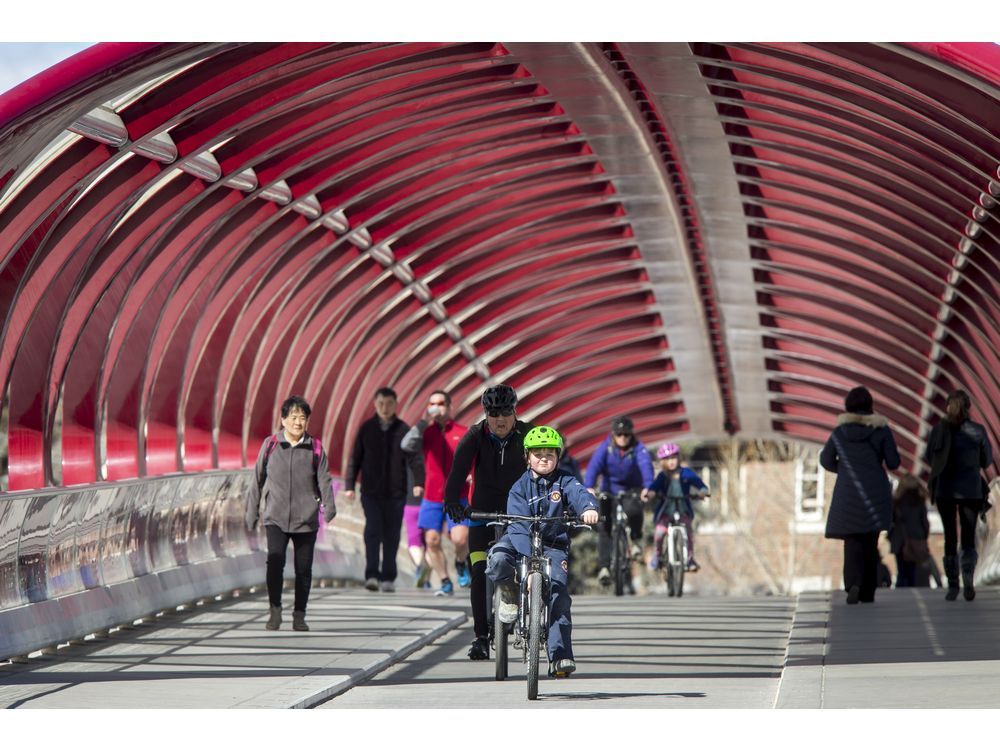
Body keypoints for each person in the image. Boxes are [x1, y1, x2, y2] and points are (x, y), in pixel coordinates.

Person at [487, 426, 599, 678]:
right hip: (519, 539)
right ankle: (509, 593)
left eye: (550, 453)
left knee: (558, 595)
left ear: (559, 456)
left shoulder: (566, 481)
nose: (544, 458)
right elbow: (517, 524)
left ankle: (560, 657)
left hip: (552, 545)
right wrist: (528, 555)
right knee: (498, 558)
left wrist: (589, 508)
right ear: (528, 457)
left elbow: (580, 495)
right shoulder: (519, 486)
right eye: (538, 453)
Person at [443, 383, 533, 660]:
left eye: (505, 412)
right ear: (486, 414)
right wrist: (453, 503)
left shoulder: (527, 434)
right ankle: (481, 637)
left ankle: (525, 608)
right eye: (493, 413)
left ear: (514, 411)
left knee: (521, 565)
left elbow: (547, 465)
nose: (500, 419)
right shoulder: (475, 436)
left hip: (518, 513)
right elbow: (457, 471)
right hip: (481, 514)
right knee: (479, 572)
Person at [245, 395, 336, 632]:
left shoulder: (315, 448)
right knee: (274, 562)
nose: (298, 422)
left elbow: (325, 480)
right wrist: (252, 511)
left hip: (306, 519)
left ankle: (299, 615)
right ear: (283, 420)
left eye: (302, 418)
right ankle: (275, 611)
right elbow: (257, 480)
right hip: (275, 516)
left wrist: (329, 507)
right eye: (293, 417)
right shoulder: (271, 444)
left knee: (303, 569)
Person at [820, 386, 901, 605]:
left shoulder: (839, 432)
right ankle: (868, 590)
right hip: (875, 491)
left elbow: (826, 460)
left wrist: (846, 471)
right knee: (870, 542)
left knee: (852, 542)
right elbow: (894, 462)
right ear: (870, 406)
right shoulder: (881, 430)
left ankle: (853, 585)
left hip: (848, 493)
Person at [344, 387, 423, 593]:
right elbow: (355, 459)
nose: (384, 408)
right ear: (374, 404)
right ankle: (371, 574)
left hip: (396, 493)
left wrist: (418, 482)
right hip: (370, 491)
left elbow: (415, 458)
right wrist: (349, 486)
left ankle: (388, 576)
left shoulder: (403, 429)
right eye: (380, 403)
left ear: (395, 405)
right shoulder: (366, 429)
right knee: (373, 530)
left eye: (388, 403)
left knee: (392, 534)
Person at [924, 388, 994, 601]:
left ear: (947, 406)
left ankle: (953, 584)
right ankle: (968, 576)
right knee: (968, 536)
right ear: (968, 408)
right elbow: (987, 460)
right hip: (971, 490)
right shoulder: (978, 431)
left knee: (949, 536)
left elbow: (929, 456)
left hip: (945, 488)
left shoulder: (938, 430)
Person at [401, 389, 471, 596]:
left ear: (449, 407)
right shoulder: (426, 433)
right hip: (432, 497)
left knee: (460, 539)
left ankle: (460, 562)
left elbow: (475, 458)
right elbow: (406, 445)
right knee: (431, 541)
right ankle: (444, 579)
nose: (437, 407)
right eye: (432, 404)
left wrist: (472, 474)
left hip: (457, 495)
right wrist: (423, 422)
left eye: (441, 403)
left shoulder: (463, 432)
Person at [583, 416, 654, 585]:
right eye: (619, 434)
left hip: (632, 489)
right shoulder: (605, 448)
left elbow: (646, 467)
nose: (623, 437)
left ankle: (636, 540)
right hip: (610, 489)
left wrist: (648, 487)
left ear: (631, 435)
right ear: (613, 434)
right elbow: (594, 466)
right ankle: (604, 568)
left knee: (634, 510)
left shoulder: (639, 449)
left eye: (626, 434)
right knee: (604, 526)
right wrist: (589, 486)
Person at [646, 442, 709, 572]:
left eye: (674, 458)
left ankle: (690, 558)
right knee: (659, 533)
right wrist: (651, 493)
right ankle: (657, 556)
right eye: (668, 459)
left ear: (679, 458)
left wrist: (702, 491)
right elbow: (654, 487)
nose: (671, 462)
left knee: (688, 533)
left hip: (682, 509)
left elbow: (698, 483)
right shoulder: (663, 476)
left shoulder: (686, 473)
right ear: (663, 461)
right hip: (666, 510)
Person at [889, 473, 941, 588]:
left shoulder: (896, 502)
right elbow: (925, 522)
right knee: (913, 570)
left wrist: (891, 537)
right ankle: (910, 588)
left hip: (900, 541)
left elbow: (890, 521)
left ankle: (902, 589)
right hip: (916, 539)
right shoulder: (919, 501)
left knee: (902, 571)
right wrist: (923, 536)